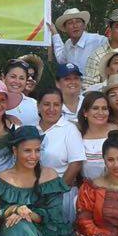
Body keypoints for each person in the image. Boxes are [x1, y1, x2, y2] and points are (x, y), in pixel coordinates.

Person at [37, 88, 85, 223]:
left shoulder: (69, 129)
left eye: (56, 105)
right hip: (34, 193)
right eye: (46, 104)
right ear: (38, 106)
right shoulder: (32, 129)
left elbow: (76, 164)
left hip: (62, 193)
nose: (51, 109)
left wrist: (57, 192)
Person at [49, 7, 107, 76]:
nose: (75, 26)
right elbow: (61, 59)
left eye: (78, 22)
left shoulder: (98, 40)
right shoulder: (68, 44)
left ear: (84, 25)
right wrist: (54, 32)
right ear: (65, 28)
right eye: (70, 23)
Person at [78, 91, 114, 181]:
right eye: (95, 108)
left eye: (104, 108)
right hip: (86, 190)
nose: (100, 112)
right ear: (85, 112)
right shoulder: (77, 135)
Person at [2, 59, 40, 126]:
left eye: (21, 78)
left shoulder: (34, 104)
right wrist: (4, 117)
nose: (17, 81)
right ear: (3, 78)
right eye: (13, 77)